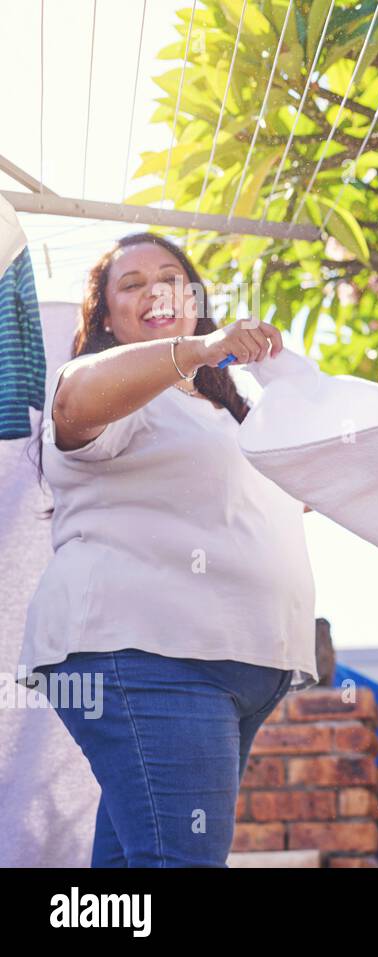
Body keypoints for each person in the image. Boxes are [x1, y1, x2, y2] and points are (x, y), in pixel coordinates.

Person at [18, 232, 319, 865]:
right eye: (131, 284)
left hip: (236, 665)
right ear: (104, 316)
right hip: (151, 658)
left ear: (194, 295)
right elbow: (75, 395)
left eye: (171, 276)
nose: (156, 289)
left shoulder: (227, 412)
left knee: (133, 872)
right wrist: (201, 348)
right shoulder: (114, 390)